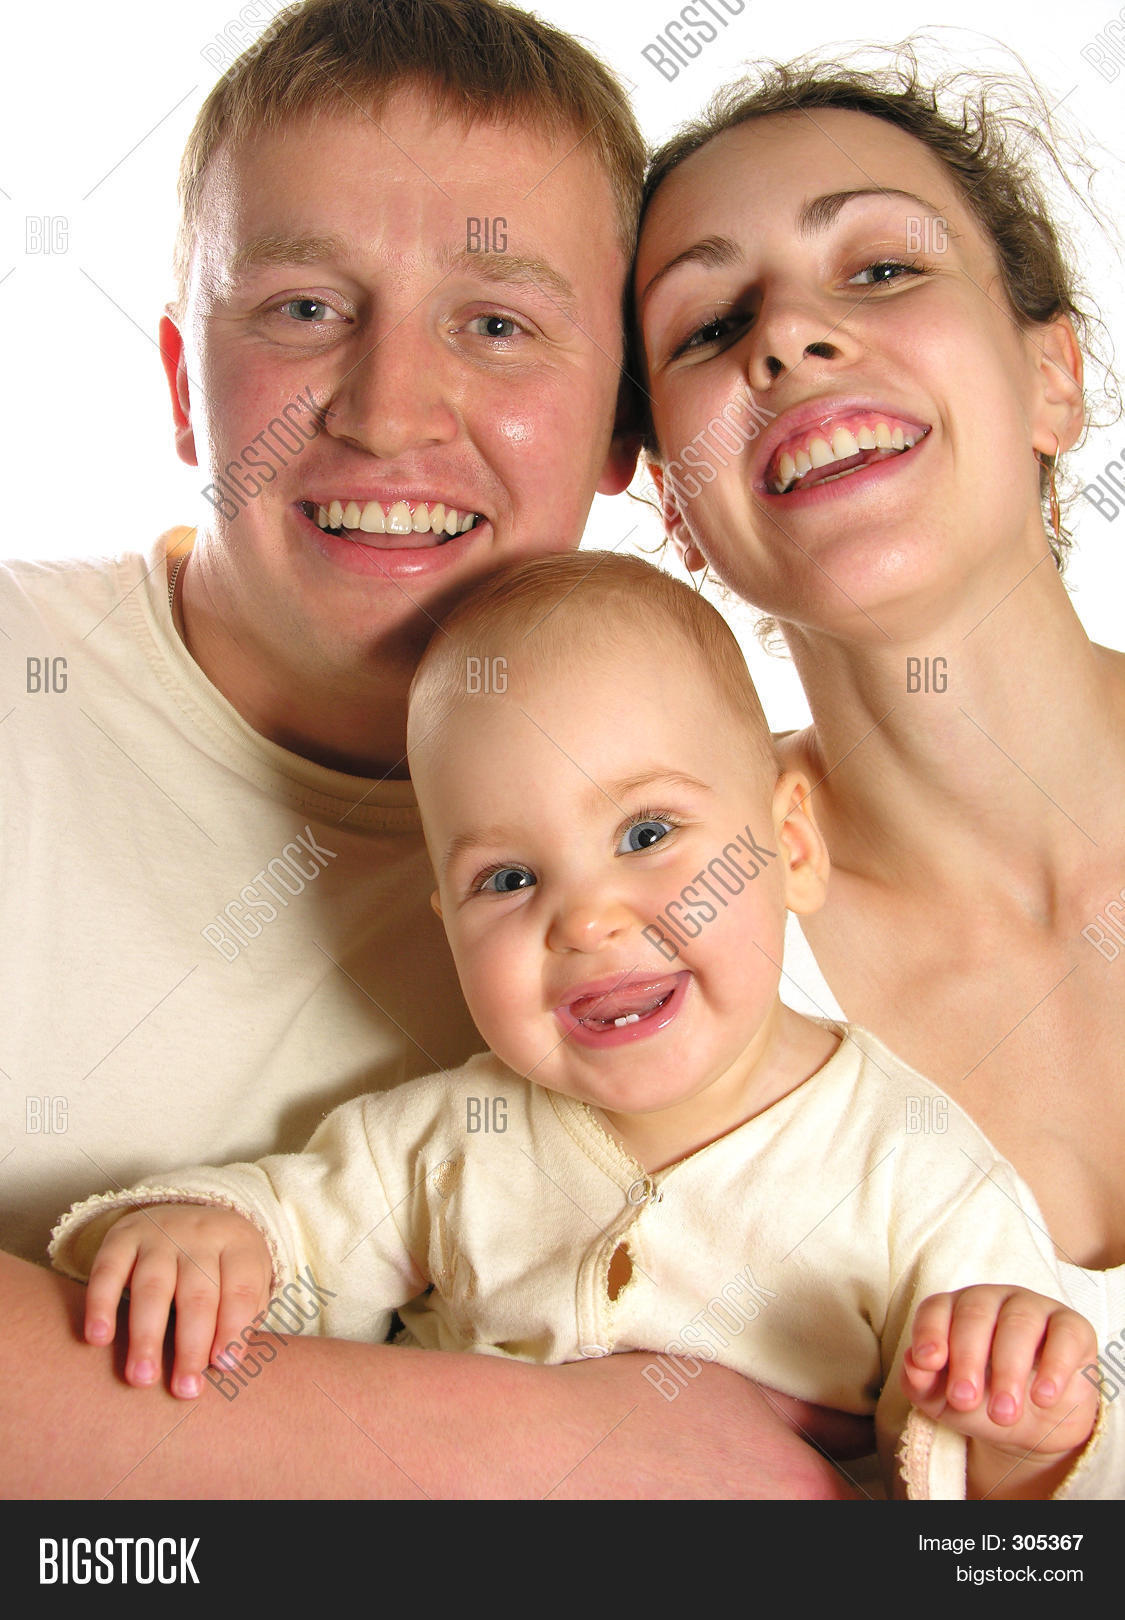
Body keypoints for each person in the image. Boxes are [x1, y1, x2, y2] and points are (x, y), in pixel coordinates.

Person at [0, 0, 853, 1500]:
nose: (390, 413)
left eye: (499, 323)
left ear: (619, 427)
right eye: (304, 309)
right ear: (184, 381)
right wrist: (550, 1448)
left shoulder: (716, 855)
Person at [49, 552, 1104, 1500]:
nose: (589, 919)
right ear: (449, 929)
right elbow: (299, 1233)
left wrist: (1026, 1437)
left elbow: (1012, 1540)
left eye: (647, 832)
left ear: (791, 847)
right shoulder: (446, 1140)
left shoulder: (912, 1169)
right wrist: (213, 1237)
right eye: (507, 879)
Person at [632, 49, 1125, 1495]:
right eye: (713, 323)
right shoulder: (649, 939)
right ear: (674, 509)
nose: (786, 337)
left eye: (883, 270)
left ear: (1052, 376)